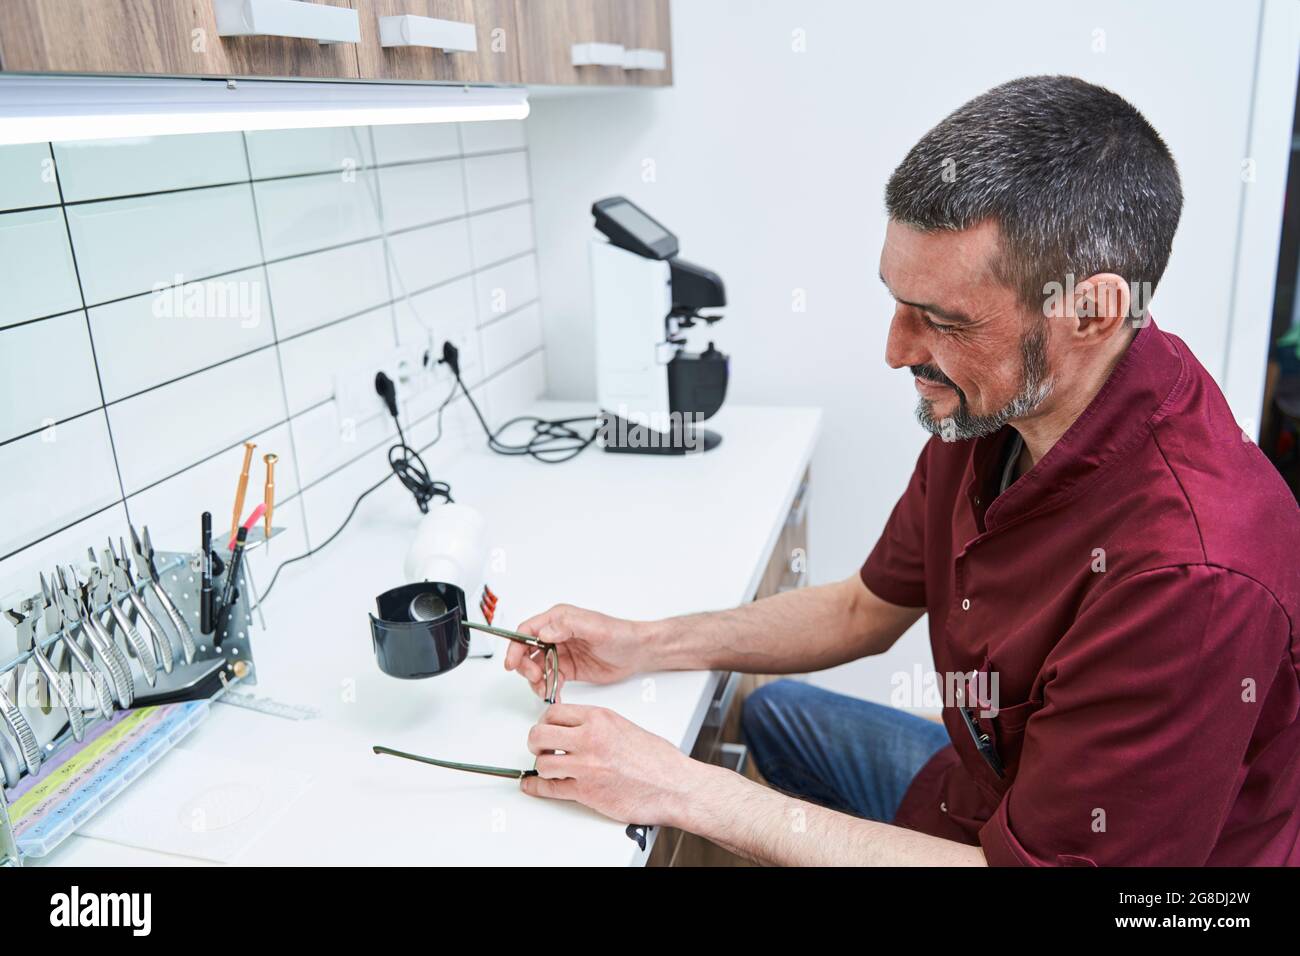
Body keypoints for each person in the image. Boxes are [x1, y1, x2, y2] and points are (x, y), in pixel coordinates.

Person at [504, 75, 1300, 866]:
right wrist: (644, 644)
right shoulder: (993, 409)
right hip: (976, 793)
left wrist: (675, 788)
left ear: (1090, 312)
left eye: (944, 322)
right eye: (897, 301)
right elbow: (863, 609)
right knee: (775, 714)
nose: (896, 351)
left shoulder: (1196, 575)